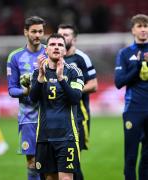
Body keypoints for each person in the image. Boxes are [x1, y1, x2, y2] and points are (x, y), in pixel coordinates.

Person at [29, 33, 84, 180]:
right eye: (53, 44)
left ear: (65, 51)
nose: (56, 47)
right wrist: (40, 78)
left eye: (60, 45)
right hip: (44, 137)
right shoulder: (37, 73)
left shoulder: (74, 72)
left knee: (66, 178)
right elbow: (32, 99)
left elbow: (75, 99)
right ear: (46, 49)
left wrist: (61, 79)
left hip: (67, 136)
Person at [7, 16, 46, 180]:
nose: (38, 35)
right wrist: (26, 90)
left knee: (51, 163)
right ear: (25, 32)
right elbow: (11, 89)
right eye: (34, 31)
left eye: (40, 31)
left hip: (49, 115)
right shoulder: (15, 57)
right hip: (28, 116)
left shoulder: (49, 51)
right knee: (32, 164)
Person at [57, 24, 98, 180]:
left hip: (78, 117)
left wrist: (71, 91)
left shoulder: (81, 58)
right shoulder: (52, 58)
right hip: (55, 118)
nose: (62, 37)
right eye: (60, 34)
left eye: (66, 35)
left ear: (74, 39)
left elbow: (94, 85)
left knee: (73, 163)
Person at [114, 14, 148, 180]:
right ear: (133, 30)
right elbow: (119, 82)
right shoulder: (125, 53)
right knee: (131, 155)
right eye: (139, 26)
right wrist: (138, 66)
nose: (143, 29)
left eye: (146, 26)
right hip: (133, 110)